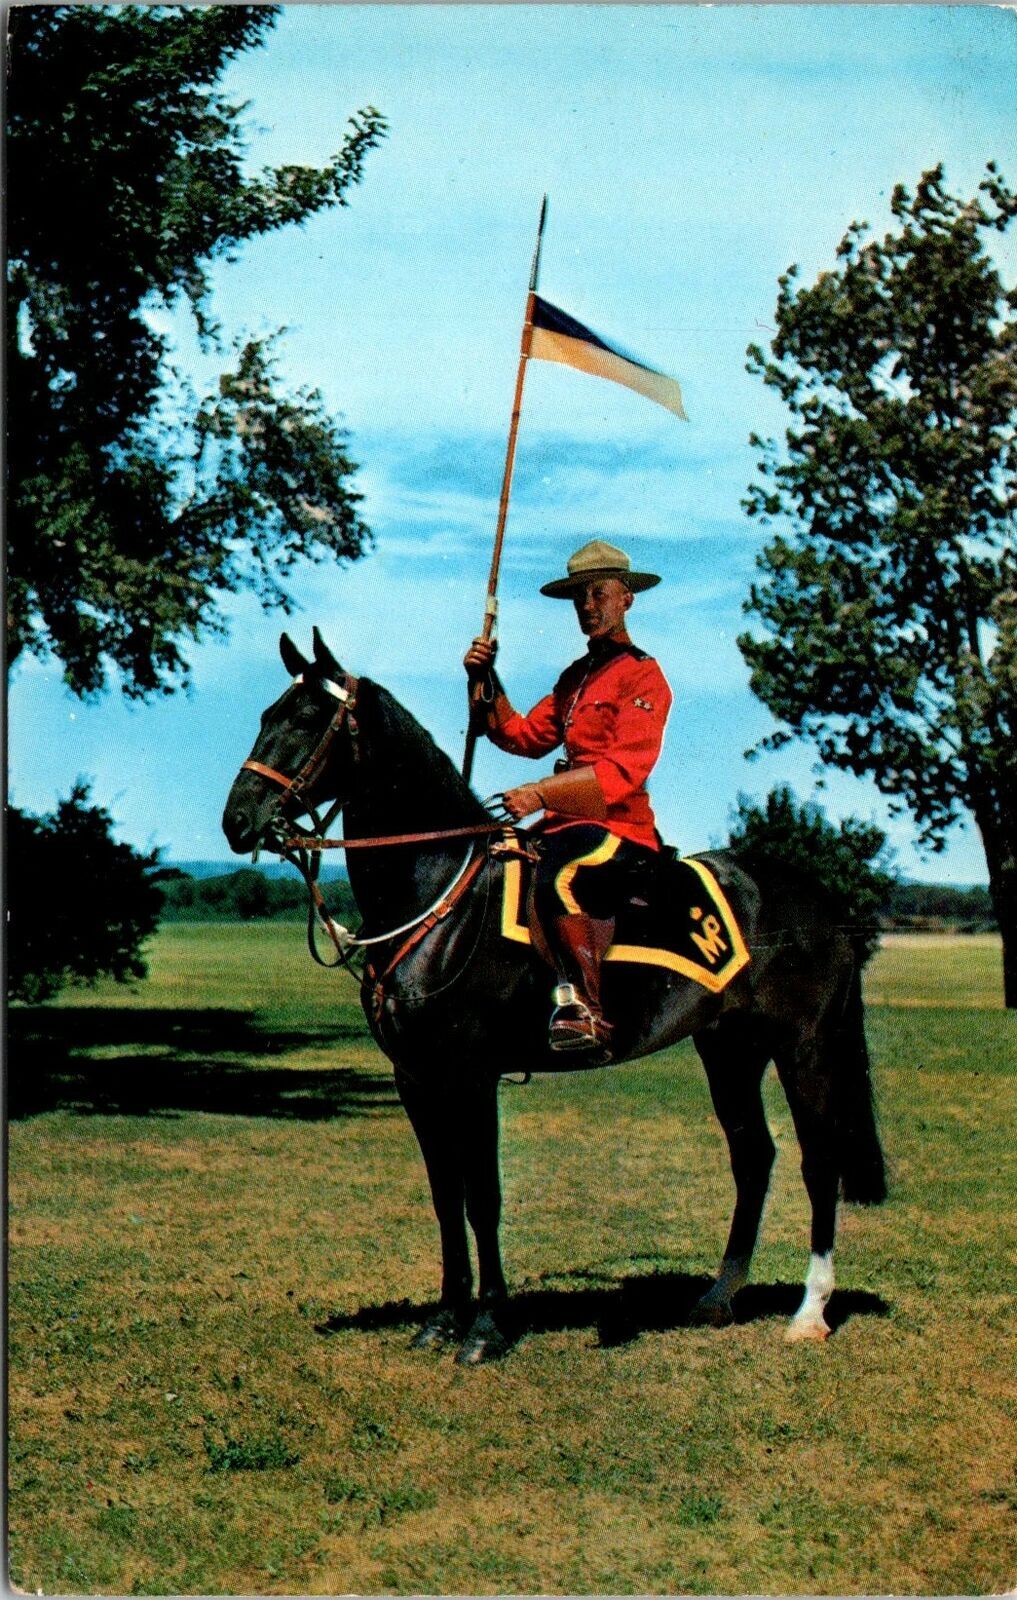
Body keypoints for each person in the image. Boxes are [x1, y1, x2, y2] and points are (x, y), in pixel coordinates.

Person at [464, 538, 672, 1059]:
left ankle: (588, 1011)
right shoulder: (575, 680)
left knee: (560, 876)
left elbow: (622, 773)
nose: (588, 606)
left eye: (599, 593)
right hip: (563, 826)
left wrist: (538, 793)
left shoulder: (644, 675)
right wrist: (485, 678)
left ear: (627, 598)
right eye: (580, 597)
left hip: (619, 829)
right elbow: (521, 735)